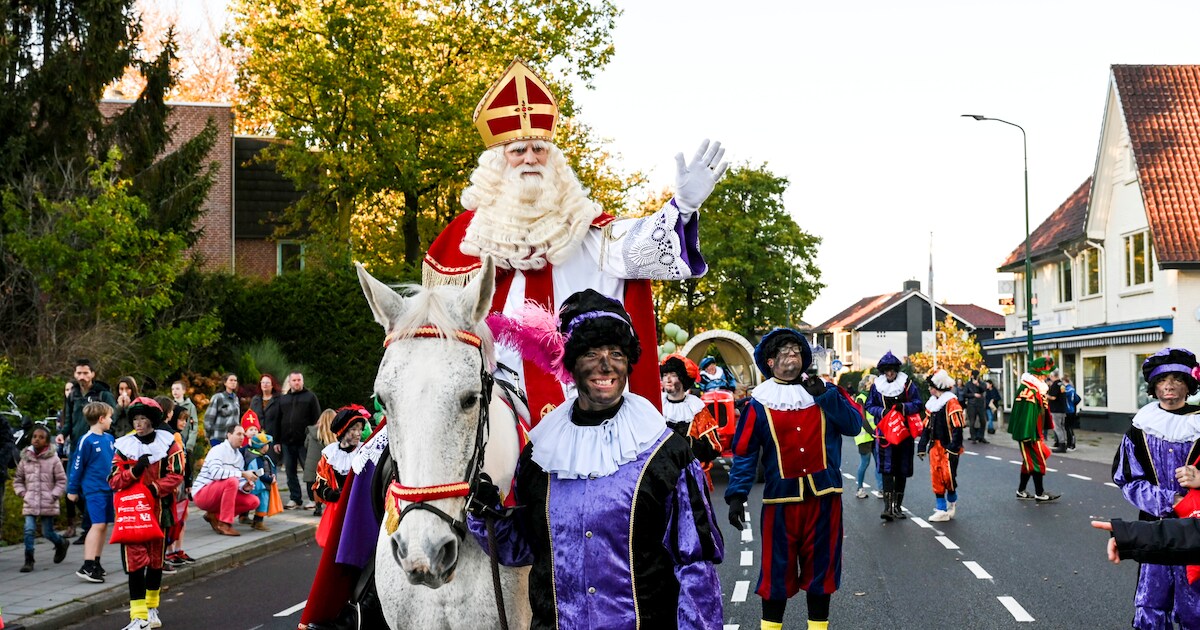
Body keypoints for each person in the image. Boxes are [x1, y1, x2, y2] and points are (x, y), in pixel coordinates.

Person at [422, 59, 725, 425]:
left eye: (539, 149)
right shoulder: (461, 241)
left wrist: (683, 208)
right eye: (518, 151)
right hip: (492, 411)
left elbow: (640, 249)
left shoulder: (587, 226)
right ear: (497, 164)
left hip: (587, 409)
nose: (530, 159)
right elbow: (433, 331)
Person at [468, 289, 725, 630]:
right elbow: (523, 550)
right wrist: (487, 517)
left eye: (616, 353)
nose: (606, 364)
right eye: (590, 352)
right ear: (571, 364)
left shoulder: (666, 453)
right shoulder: (540, 454)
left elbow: (695, 564)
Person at [725, 327, 861, 630]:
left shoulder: (825, 391)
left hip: (825, 498)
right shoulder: (759, 404)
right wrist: (737, 494)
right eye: (785, 352)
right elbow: (745, 453)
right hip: (780, 501)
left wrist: (825, 396)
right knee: (776, 573)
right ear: (770, 362)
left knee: (821, 571)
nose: (792, 356)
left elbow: (854, 425)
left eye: (797, 351)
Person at [1112, 348, 1200, 629]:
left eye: (1177, 379)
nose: (1170, 386)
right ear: (1154, 387)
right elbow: (1127, 479)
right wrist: (1170, 500)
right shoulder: (1140, 428)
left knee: (1195, 606)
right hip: (1155, 526)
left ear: (1188, 385)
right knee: (1151, 603)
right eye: (1163, 380)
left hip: (1196, 529)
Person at [108, 398, 183, 630]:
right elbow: (113, 480)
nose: (138, 423)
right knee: (135, 564)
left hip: (160, 512)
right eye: (135, 419)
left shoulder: (169, 444)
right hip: (132, 514)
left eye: (143, 419)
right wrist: (134, 471)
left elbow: (177, 474)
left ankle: (151, 609)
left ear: (152, 421)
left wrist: (154, 489)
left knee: (156, 562)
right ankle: (138, 617)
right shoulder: (124, 446)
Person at [58, 359, 117, 545]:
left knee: (91, 487)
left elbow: (111, 418)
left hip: (97, 447)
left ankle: (89, 528)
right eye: (78, 373)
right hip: (77, 446)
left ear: (92, 374)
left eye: (85, 373)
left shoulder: (102, 393)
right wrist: (62, 434)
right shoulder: (73, 394)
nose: (81, 377)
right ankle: (90, 524)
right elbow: (68, 420)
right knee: (73, 488)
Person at [865, 351, 921, 521]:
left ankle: (897, 507)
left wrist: (902, 407)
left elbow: (918, 403)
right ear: (883, 372)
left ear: (896, 370)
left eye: (892, 370)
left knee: (902, 470)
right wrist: (883, 412)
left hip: (904, 433)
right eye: (887, 371)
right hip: (884, 434)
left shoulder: (907, 384)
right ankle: (888, 508)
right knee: (887, 469)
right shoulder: (877, 386)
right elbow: (869, 405)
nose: (890, 373)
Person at [67, 400, 115, 583]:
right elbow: (77, 466)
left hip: (108, 489)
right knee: (97, 525)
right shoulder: (86, 440)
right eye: (110, 417)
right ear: (101, 419)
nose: (112, 420)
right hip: (94, 489)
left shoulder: (109, 439)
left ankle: (96, 561)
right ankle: (87, 565)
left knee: (103, 526)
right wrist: (72, 489)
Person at [13, 424, 70, 572]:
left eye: (41, 437)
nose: (37, 439)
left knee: (47, 532)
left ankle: (61, 543)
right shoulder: (25, 459)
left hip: (47, 501)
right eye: (34, 436)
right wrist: (23, 493)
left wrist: (54, 495)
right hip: (30, 501)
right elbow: (18, 479)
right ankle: (29, 559)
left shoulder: (53, 459)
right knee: (29, 530)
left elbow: (61, 480)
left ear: (47, 441)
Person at [660, 353, 722, 486]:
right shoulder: (657, 407)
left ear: (683, 379)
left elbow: (714, 447)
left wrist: (686, 445)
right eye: (665, 375)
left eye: (673, 375)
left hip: (692, 480)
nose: (668, 379)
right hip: (663, 479)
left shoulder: (697, 408)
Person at [191, 424, 260, 537]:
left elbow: (239, 480)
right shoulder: (218, 450)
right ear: (229, 435)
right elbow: (216, 473)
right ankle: (224, 524)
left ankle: (215, 516)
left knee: (253, 501)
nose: (242, 437)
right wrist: (242, 474)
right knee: (232, 481)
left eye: (243, 434)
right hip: (202, 493)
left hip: (220, 492)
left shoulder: (239, 457)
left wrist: (245, 486)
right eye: (238, 434)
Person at [1007, 357, 1060, 502]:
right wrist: (1027, 434)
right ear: (1037, 375)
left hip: (1035, 432)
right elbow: (1026, 416)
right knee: (1037, 461)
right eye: (1044, 374)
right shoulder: (1028, 391)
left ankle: (1021, 490)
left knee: (1031, 461)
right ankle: (1040, 493)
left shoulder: (1034, 389)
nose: (1046, 377)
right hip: (1030, 434)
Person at [917, 369, 965, 522]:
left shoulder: (951, 402)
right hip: (934, 446)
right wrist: (922, 446)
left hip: (948, 447)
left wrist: (953, 448)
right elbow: (926, 426)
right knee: (936, 477)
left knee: (949, 477)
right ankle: (941, 508)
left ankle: (951, 501)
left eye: (931, 386)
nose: (929, 389)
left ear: (937, 387)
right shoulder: (932, 404)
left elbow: (958, 427)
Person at [271, 371, 321, 509]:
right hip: (287, 442)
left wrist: (315, 440)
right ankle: (295, 498)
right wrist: (276, 441)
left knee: (309, 470)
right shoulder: (283, 399)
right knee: (290, 471)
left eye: (299, 380)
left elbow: (317, 420)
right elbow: (277, 421)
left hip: (305, 442)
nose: (297, 382)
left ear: (302, 381)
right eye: (294, 380)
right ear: (290, 382)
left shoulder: (310, 397)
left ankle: (313, 499)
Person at [312, 406, 369, 510]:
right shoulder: (330, 455)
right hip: (337, 509)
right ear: (343, 431)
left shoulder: (365, 452)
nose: (358, 433)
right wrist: (330, 494)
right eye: (354, 429)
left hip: (361, 508)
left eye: (360, 429)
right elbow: (319, 484)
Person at [243, 432, 280, 532]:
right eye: (267, 444)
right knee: (263, 503)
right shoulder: (258, 459)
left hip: (253, 485)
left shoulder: (250, 454)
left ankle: (245, 517)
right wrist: (270, 479)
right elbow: (260, 474)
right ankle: (258, 522)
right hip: (261, 486)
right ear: (263, 447)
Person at [852, 375, 881, 499]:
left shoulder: (875, 397)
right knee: (865, 463)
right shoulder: (860, 398)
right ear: (866, 384)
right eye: (873, 383)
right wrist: (872, 432)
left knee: (879, 463)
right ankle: (859, 488)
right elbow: (862, 418)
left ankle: (881, 489)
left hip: (876, 434)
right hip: (864, 436)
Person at [304, 409, 336, 518]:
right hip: (327, 466)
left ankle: (317, 506)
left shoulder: (312, 432)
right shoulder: (335, 433)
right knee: (328, 485)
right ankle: (329, 506)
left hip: (312, 466)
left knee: (315, 486)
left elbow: (306, 445)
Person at [204, 373, 241, 447]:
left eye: (235, 380)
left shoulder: (236, 399)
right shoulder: (218, 397)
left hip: (231, 438)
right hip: (218, 437)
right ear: (225, 382)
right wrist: (208, 435)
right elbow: (209, 417)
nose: (233, 382)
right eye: (231, 380)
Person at [170, 381, 198, 462]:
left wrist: (190, 444)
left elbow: (194, 425)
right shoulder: (171, 405)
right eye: (173, 389)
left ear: (184, 391)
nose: (175, 391)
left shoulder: (190, 406)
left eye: (177, 389)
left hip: (185, 439)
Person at [1046, 371, 1068, 452]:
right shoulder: (1062, 384)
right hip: (1062, 409)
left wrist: (1046, 395)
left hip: (1056, 409)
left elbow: (1053, 397)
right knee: (1062, 427)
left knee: (1057, 427)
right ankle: (1062, 443)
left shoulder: (1055, 384)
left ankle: (1061, 445)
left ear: (1053, 376)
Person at [964, 369, 987, 444]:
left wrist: (978, 385)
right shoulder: (968, 384)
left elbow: (984, 389)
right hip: (972, 404)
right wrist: (973, 395)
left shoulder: (981, 383)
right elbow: (965, 394)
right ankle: (973, 437)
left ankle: (981, 436)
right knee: (972, 421)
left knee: (983, 421)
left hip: (980, 404)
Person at [1063, 374, 1080, 449]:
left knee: (1068, 427)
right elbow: (1077, 399)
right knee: (1070, 427)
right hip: (1072, 409)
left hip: (1068, 410)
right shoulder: (1072, 389)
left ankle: (1070, 444)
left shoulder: (1066, 390)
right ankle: (1072, 443)